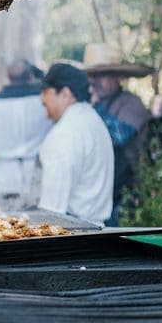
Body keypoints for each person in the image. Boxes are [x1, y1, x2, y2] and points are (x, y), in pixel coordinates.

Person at [82, 43, 153, 225]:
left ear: (119, 76)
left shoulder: (131, 104)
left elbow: (116, 137)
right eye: (92, 75)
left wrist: (94, 106)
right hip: (98, 191)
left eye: (102, 74)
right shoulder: (89, 105)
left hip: (125, 193)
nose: (94, 80)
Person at [37, 63, 114, 225]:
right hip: (96, 228)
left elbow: (51, 212)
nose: (41, 98)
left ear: (65, 93)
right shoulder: (93, 120)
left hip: (73, 233)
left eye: (45, 92)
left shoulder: (64, 133)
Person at [0, 59, 52, 200]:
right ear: (30, 75)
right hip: (36, 175)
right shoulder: (43, 101)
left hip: (5, 177)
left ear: (8, 77)